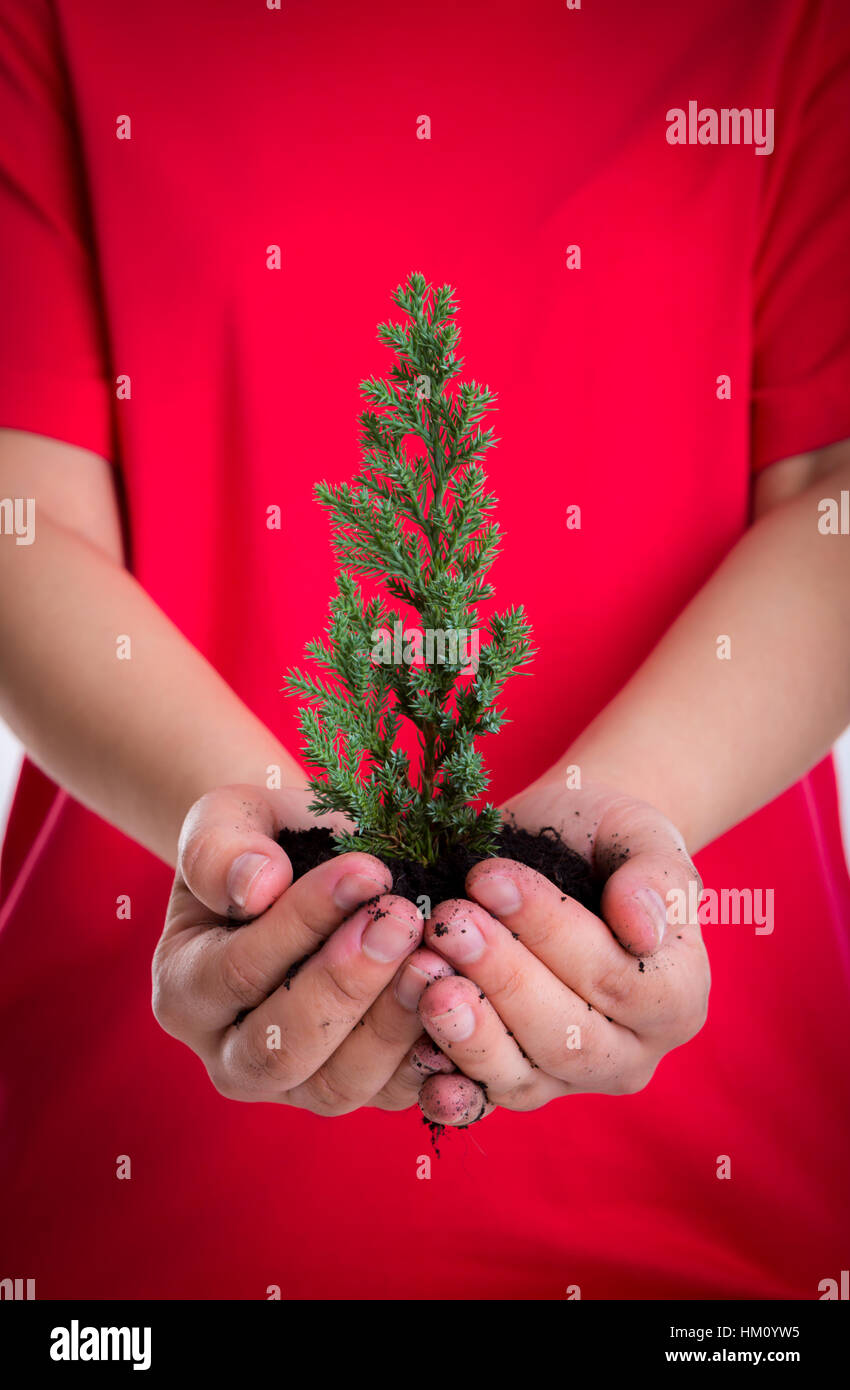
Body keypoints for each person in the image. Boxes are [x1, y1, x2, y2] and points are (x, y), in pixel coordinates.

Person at [1, 0, 848, 1300]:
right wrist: (260, 857)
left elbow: (831, 500)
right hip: (143, 1217)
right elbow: (23, 518)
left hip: (713, 1218)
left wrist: (609, 850)